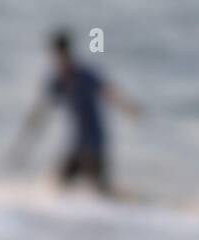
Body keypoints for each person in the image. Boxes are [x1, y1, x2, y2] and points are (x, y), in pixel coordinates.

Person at [12, 30, 141, 196]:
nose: (59, 58)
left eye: (61, 54)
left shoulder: (84, 74)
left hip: (94, 142)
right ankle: (79, 215)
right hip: (77, 144)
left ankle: (126, 209)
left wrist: (129, 108)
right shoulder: (58, 80)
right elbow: (42, 111)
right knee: (60, 184)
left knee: (99, 190)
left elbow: (108, 92)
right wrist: (24, 143)